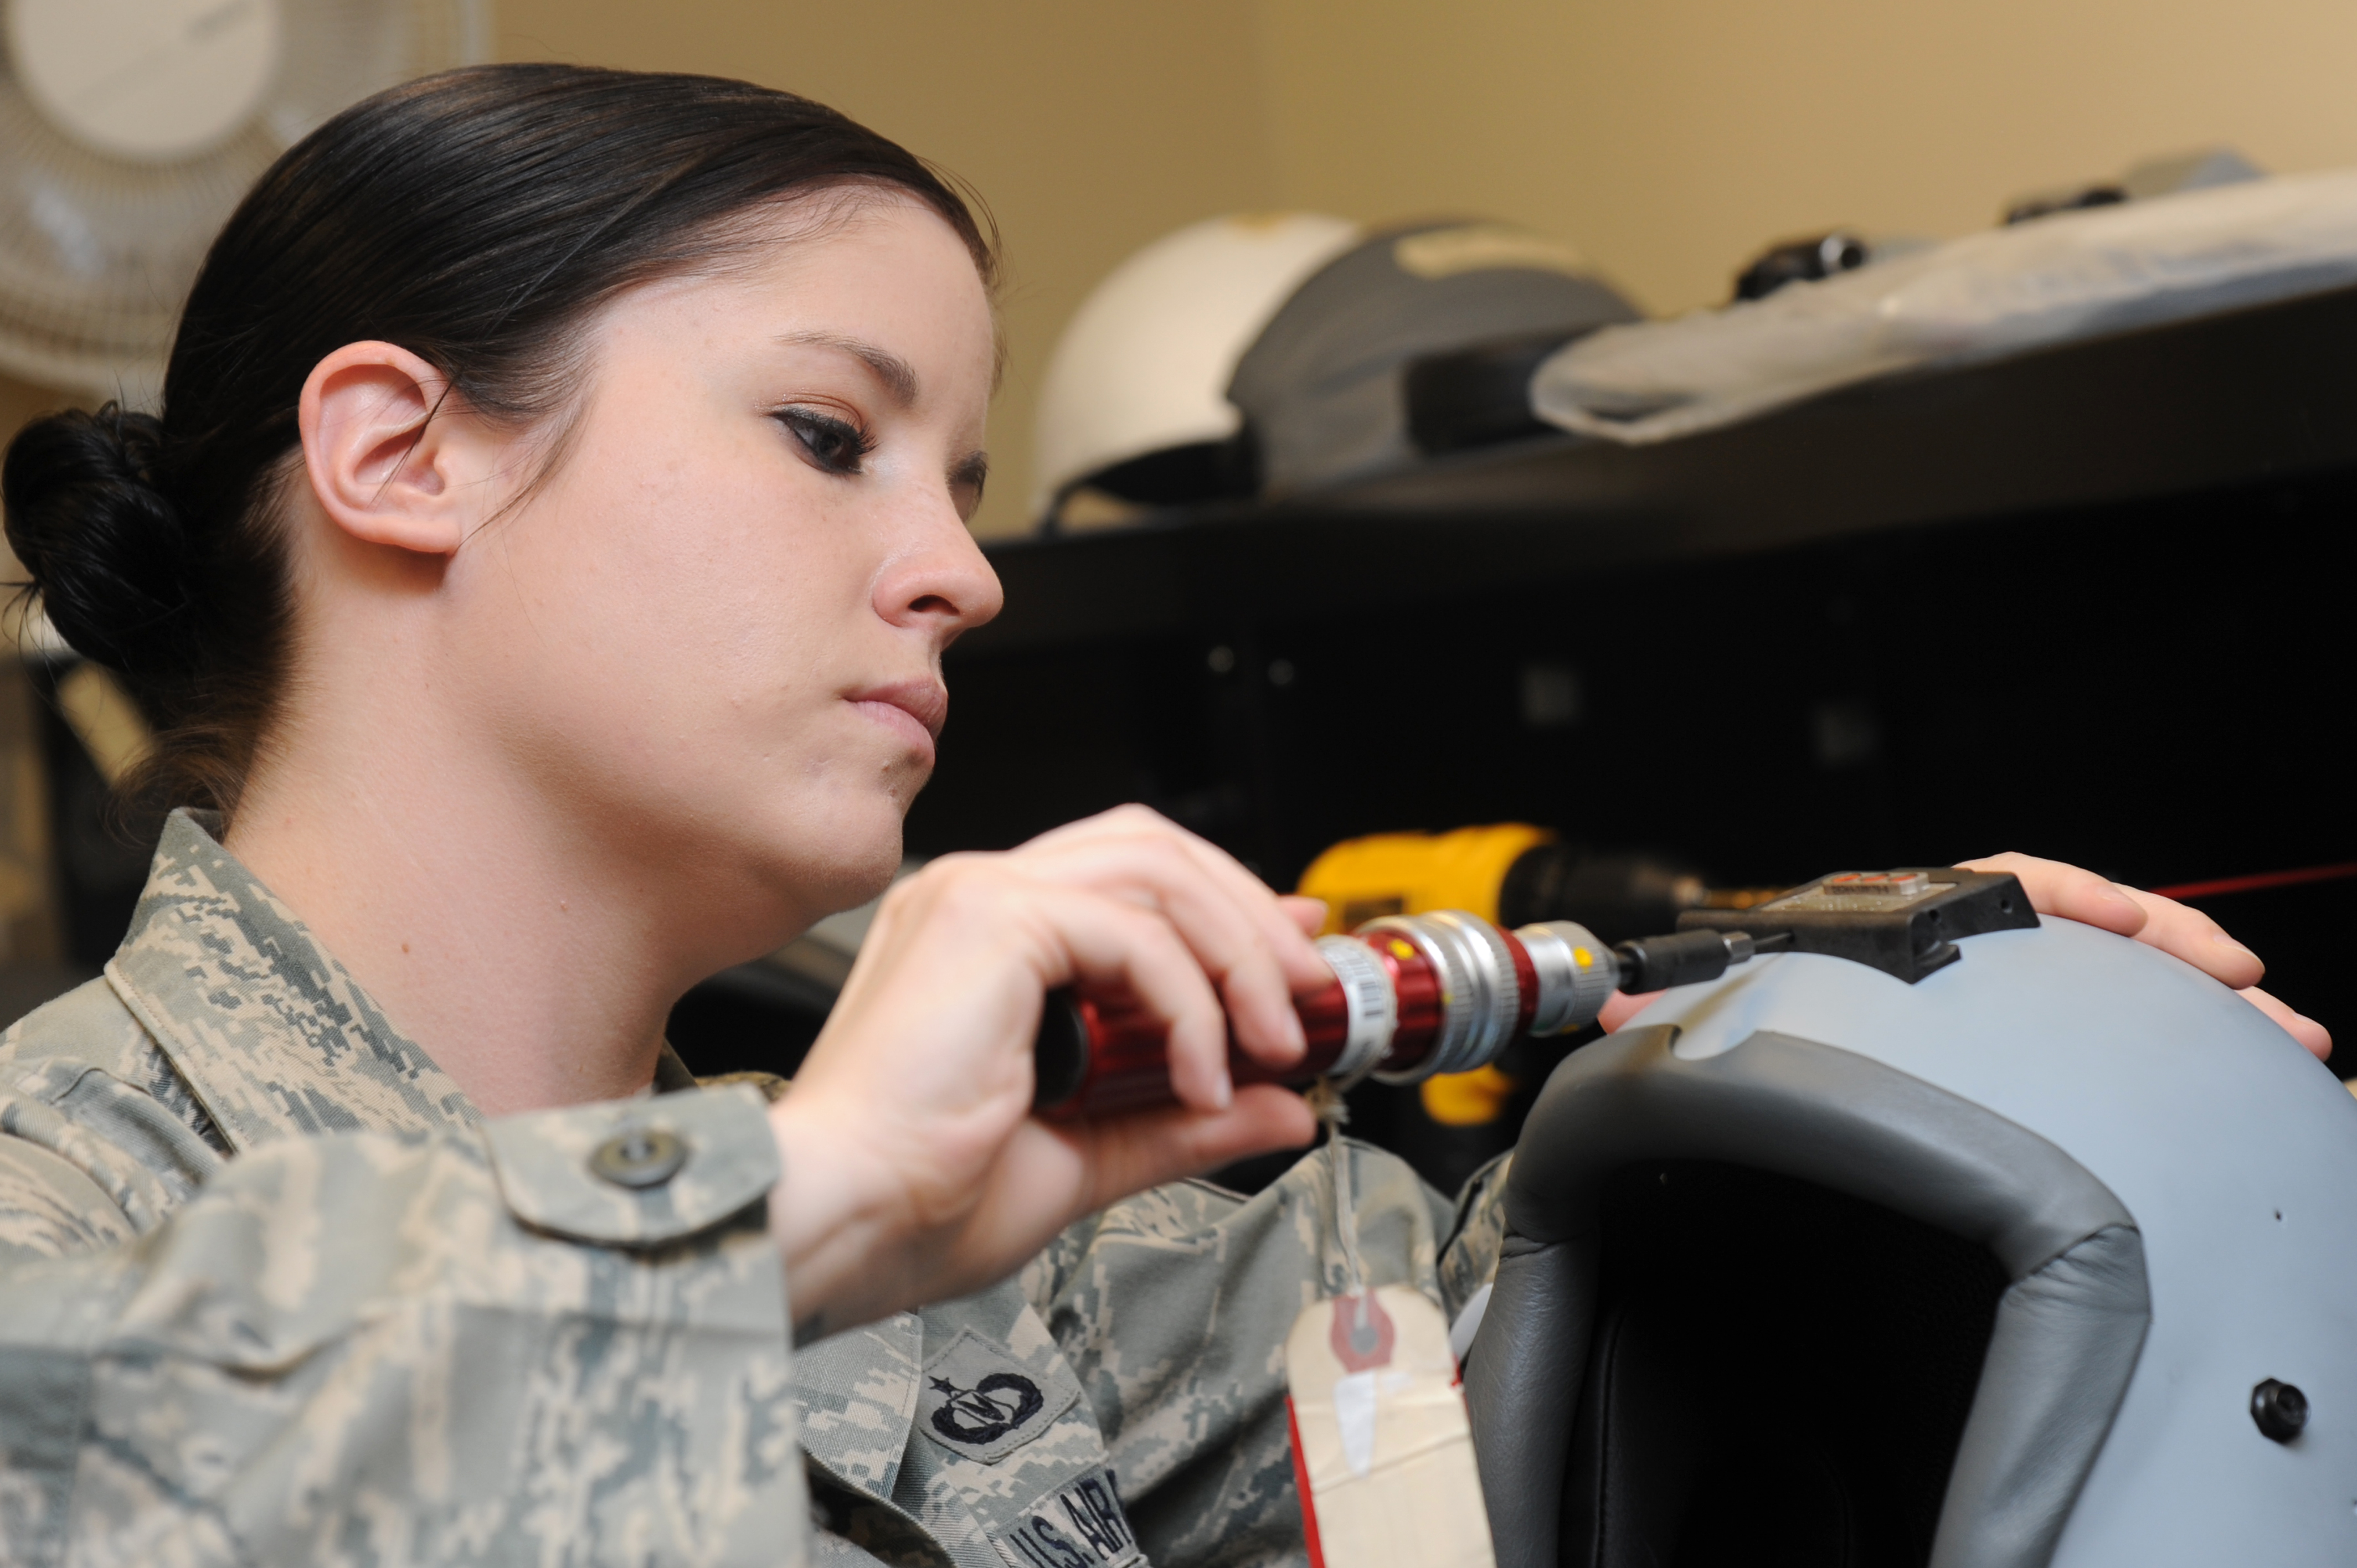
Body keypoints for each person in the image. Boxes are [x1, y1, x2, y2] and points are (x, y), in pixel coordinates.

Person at [0, 65, 2325, 1568]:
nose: (964, 574)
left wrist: (1920, 1010)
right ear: (400, 454)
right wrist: (799, 1200)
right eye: (830, 435)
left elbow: (1554, 1319)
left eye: (966, 482)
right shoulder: (60, 1209)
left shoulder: (1034, 1255)